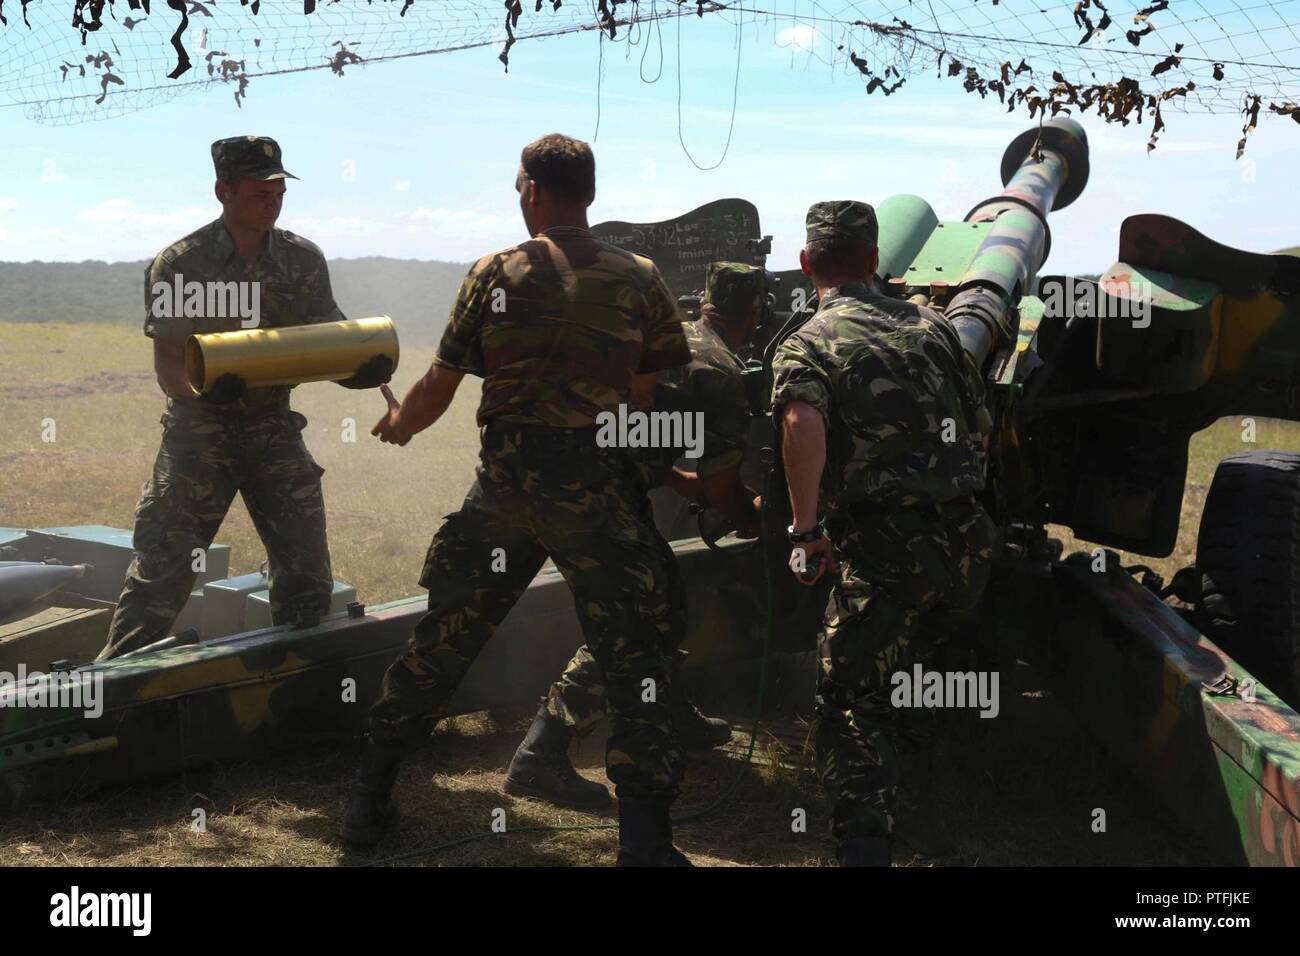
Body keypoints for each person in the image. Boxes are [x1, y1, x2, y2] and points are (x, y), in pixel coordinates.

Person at [342, 133, 694, 866]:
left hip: (506, 487)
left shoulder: (493, 272)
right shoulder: (640, 276)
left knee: (445, 641)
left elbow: (440, 384)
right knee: (637, 655)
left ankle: (366, 801)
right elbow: (649, 388)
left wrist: (400, 424)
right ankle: (646, 843)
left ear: (532, 189)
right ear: (588, 194)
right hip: (596, 489)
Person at [98, 136, 385, 661]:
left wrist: (360, 371)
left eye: (279, 191)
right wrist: (200, 391)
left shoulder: (301, 258)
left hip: (274, 430)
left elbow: (326, 335)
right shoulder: (180, 264)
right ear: (223, 192)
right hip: (198, 438)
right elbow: (167, 361)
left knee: (306, 577)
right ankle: (111, 703)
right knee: (161, 576)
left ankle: (303, 697)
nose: (272, 202)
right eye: (259, 193)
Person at [769, 200, 994, 866]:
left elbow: (801, 424)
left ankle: (866, 846)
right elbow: (978, 427)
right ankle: (921, 786)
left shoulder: (810, 340)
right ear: (875, 261)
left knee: (847, 700)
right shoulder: (937, 328)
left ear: (808, 263)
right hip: (966, 543)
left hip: (889, 549)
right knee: (921, 656)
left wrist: (806, 529)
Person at [503, 261, 768, 809]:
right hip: (589, 496)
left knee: (665, 597)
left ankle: (671, 716)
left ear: (704, 304)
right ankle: (539, 755)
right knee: (628, 621)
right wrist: (760, 522)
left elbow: (626, 430)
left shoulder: (669, 338)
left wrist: (674, 479)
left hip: (557, 474)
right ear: (757, 314)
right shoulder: (720, 370)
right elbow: (725, 492)